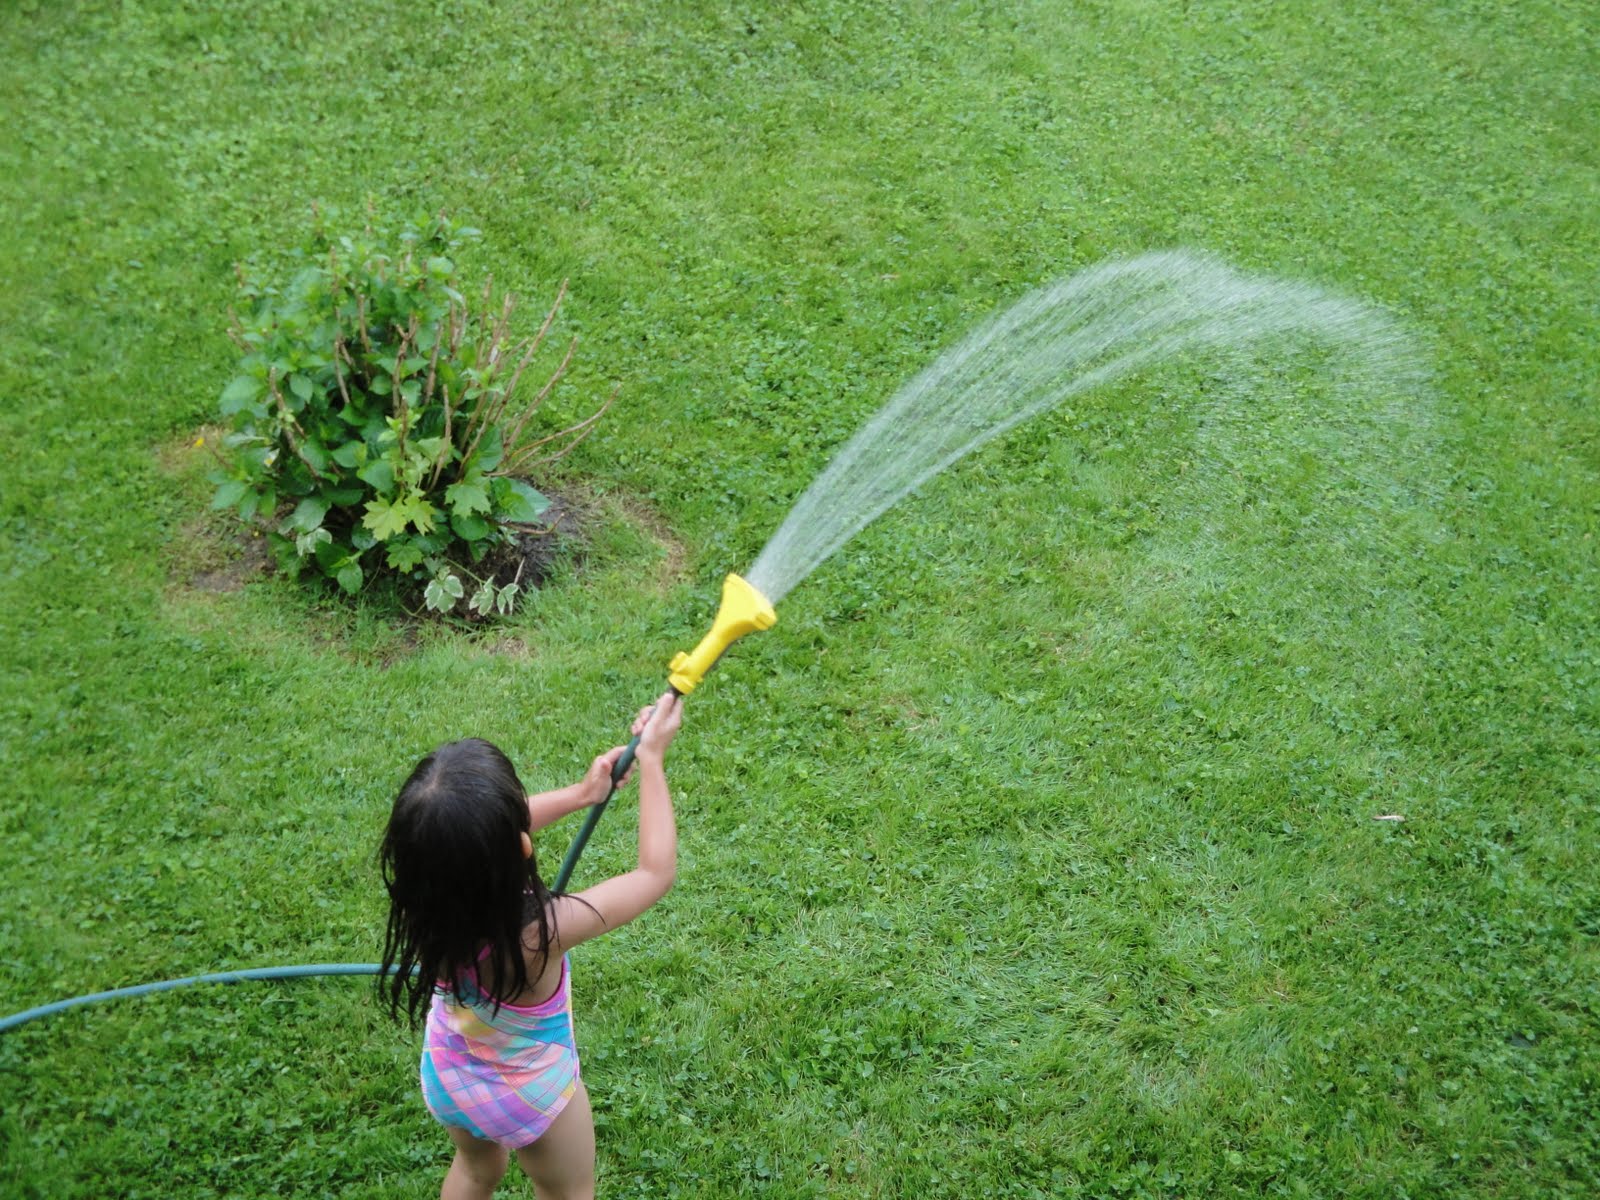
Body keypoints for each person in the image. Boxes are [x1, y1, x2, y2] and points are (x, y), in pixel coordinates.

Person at [379, 693, 684, 1200]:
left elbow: (474, 839)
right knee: (568, 1194)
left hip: (450, 1073)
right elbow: (654, 873)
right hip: (532, 1100)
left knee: (476, 1172)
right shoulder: (540, 933)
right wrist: (651, 760)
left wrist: (582, 794)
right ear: (521, 846)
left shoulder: (425, 900)